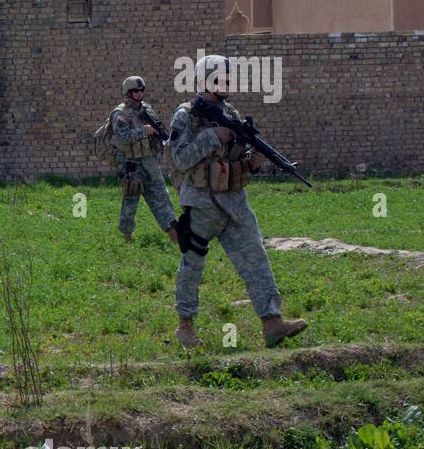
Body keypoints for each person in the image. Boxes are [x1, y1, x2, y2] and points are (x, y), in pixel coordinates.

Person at [167, 55, 308, 348]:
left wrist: (251, 162)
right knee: (192, 265)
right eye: (220, 79)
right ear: (204, 80)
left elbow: (235, 156)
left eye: (230, 79)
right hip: (201, 204)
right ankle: (185, 327)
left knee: (256, 257)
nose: (227, 84)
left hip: (234, 203)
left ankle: (272, 322)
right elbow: (179, 159)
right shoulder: (185, 115)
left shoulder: (230, 112)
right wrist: (211, 136)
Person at [111, 75, 179, 244]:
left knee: (161, 195)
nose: (140, 93)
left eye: (142, 90)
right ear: (128, 92)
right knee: (131, 199)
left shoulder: (146, 109)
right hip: (131, 164)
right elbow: (123, 137)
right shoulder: (120, 113)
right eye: (136, 91)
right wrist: (144, 130)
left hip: (149, 161)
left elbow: (156, 129)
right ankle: (127, 236)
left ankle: (173, 232)